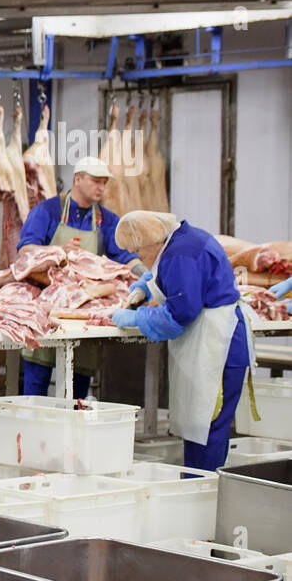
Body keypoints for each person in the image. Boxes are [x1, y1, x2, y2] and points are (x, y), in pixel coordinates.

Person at [110, 211, 255, 471]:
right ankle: (198, 487)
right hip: (213, 341)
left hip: (217, 346)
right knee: (200, 425)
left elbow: (180, 313)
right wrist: (146, 285)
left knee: (206, 425)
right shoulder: (181, 239)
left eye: (139, 252)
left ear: (150, 241)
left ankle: (202, 493)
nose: (139, 258)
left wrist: (137, 318)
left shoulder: (181, 254)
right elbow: (166, 273)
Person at [16, 156, 146, 398]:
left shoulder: (107, 220)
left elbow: (126, 257)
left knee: (79, 387)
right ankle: (32, 431)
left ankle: (72, 431)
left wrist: (147, 277)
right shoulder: (48, 211)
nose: (101, 188)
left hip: (83, 307)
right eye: (96, 181)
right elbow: (25, 250)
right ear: (77, 179)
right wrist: (55, 252)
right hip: (47, 306)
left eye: (104, 183)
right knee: (36, 384)